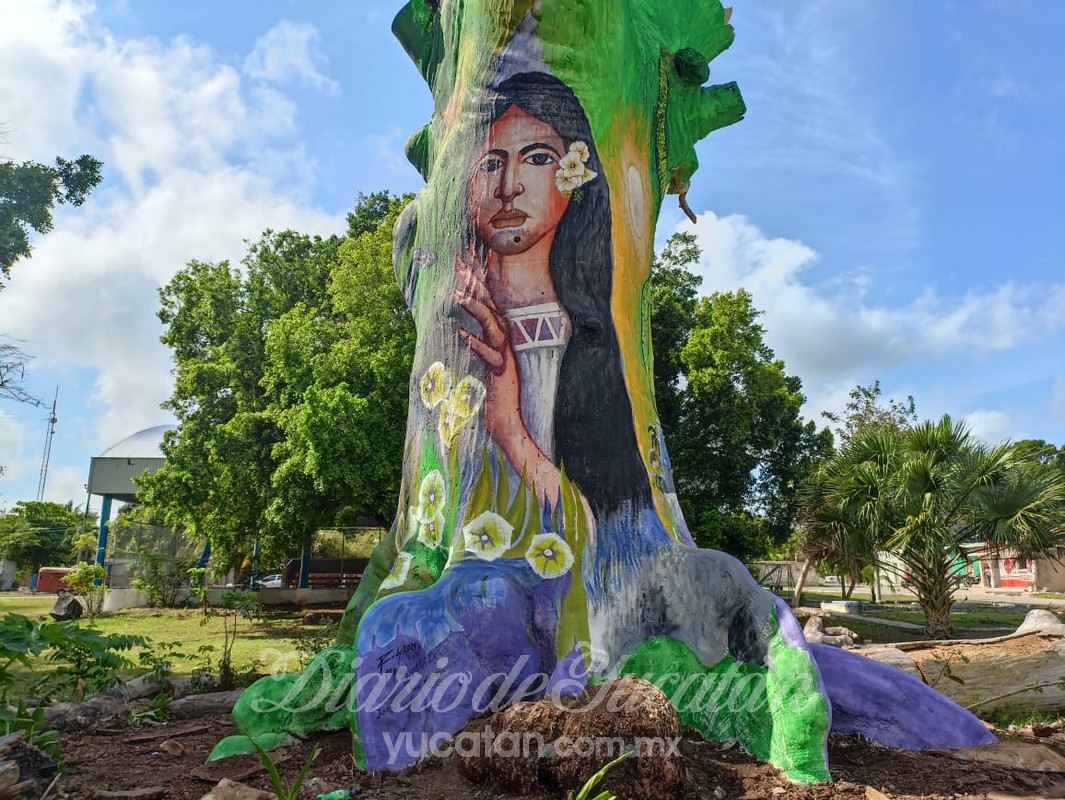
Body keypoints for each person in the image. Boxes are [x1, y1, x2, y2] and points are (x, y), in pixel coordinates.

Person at [454, 72, 652, 521]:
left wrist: (508, 427)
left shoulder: (591, 333)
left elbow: (594, 533)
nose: (509, 187)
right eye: (490, 164)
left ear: (575, 176)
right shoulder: (451, 311)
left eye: (538, 158)